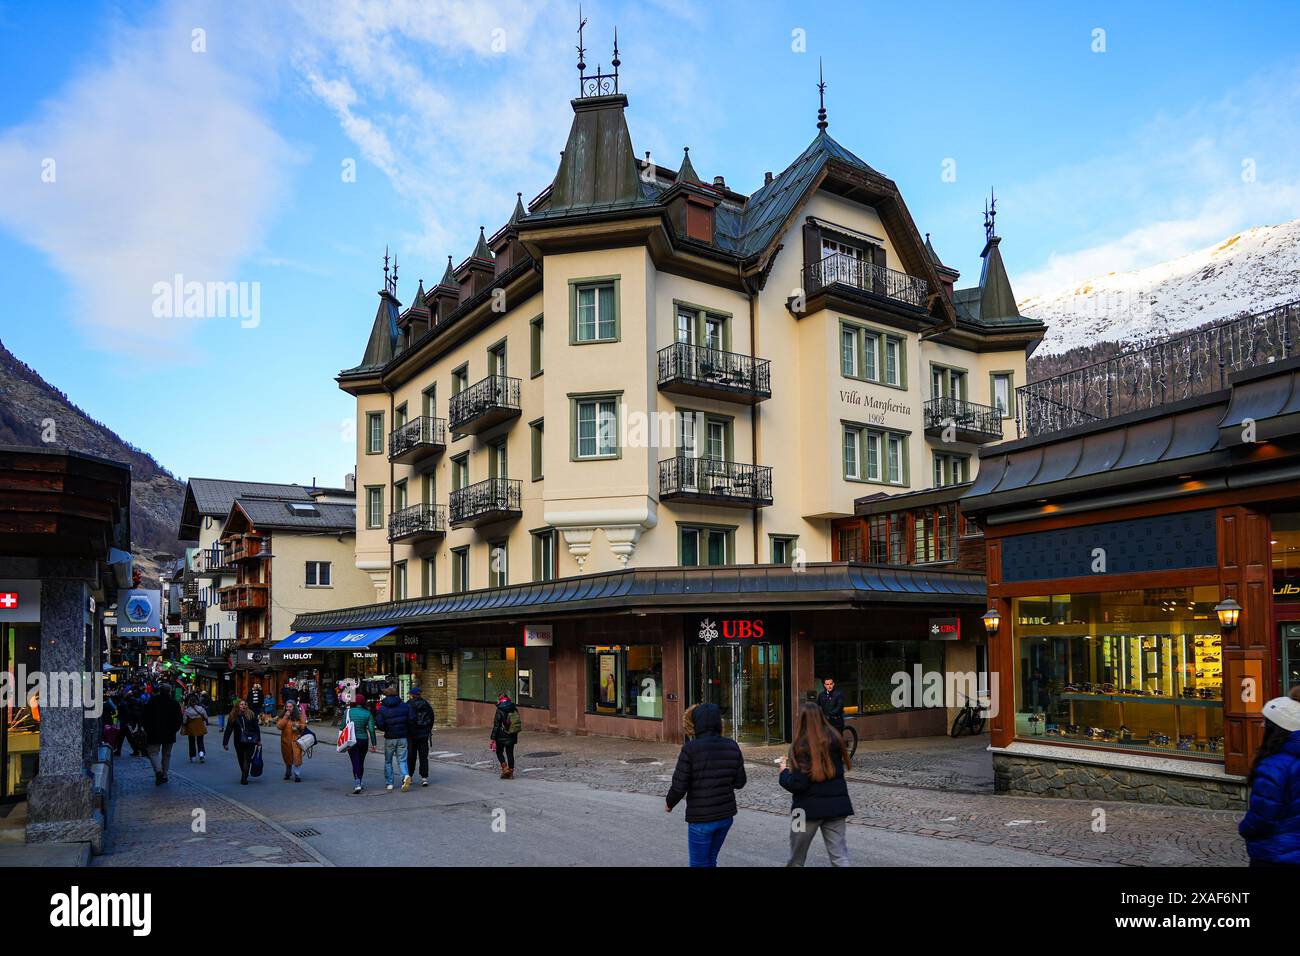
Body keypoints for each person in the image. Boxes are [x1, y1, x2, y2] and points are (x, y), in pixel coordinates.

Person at [664, 702, 747, 867]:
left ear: (696, 724)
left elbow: (679, 785)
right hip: (725, 817)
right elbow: (740, 782)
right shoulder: (732, 746)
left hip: (701, 819)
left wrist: (669, 803)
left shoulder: (691, 749)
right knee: (710, 860)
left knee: (699, 863)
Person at [779, 701, 854, 867]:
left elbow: (798, 784)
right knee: (840, 857)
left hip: (803, 811)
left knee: (796, 858)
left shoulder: (800, 746)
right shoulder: (835, 739)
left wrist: (783, 772)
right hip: (836, 807)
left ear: (801, 719)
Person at [1239, 695, 1300, 867]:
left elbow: (1262, 816)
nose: (1261, 726)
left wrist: (1245, 829)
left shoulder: (1274, 766)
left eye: (1266, 723)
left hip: (1275, 853)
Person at [142, 682, 183, 785]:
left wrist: (147, 729)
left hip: (154, 732)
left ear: (160, 691)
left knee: (153, 752)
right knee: (167, 754)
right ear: (169, 691)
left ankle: (158, 771)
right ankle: (164, 774)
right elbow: (179, 719)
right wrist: (175, 729)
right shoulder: (174, 703)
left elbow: (145, 716)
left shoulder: (152, 701)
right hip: (169, 733)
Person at [340, 692, 378, 794]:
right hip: (363, 740)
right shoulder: (368, 713)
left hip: (351, 739)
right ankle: (359, 780)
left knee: (355, 760)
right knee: (361, 761)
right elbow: (371, 729)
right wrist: (374, 744)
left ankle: (357, 782)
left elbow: (342, 726)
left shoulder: (347, 712)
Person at [376, 686, 411, 791]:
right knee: (402, 760)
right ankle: (405, 776)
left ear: (386, 695)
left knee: (388, 761)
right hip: (402, 736)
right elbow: (411, 719)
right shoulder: (405, 706)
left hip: (390, 737)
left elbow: (380, 723)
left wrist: (385, 728)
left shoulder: (382, 708)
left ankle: (389, 783)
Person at [222, 699, 261, 785]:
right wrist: (225, 742)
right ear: (237, 706)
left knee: (247, 759)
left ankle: (244, 777)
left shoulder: (251, 715)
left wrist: (258, 740)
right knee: (241, 759)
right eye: (241, 704)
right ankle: (244, 772)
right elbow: (228, 729)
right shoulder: (233, 716)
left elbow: (256, 728)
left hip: (250, 741)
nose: (244, 706)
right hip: (239, 741)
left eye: (245, 704)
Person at [406, 687, 435, 788]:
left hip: (412, 735)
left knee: (411, 756)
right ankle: (424, 778)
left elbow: (407, 719)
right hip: (423, 734)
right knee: (423, 756)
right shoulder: (426, 704)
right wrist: (428, 729)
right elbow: (431, 717)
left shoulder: (408, 705)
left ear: (412, 695)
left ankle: (409, 776)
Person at [490, 693, 522, 779]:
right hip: (512, 734)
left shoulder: (499, 709)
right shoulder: (514, 708)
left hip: (501, 735)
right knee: (510, 753)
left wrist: (493, 738)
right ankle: (510, 773)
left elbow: (496, 725)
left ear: (500, 699)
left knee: (499, 752)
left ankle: (505, 769)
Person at [275, 702, 306, 783]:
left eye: (290, 707)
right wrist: (285, 717)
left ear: (294, 707)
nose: (288, 708)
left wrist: (299, 726)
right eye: (287, 707)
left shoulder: (298, 716)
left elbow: (304, 726)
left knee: (297, 758)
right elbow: (279, 726)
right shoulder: (282, 716)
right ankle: (288, 772)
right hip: (286, 741)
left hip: (297, 740)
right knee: (287, 757)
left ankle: (297, 775)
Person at [182, 693, 209, 764]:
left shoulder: (187, 711)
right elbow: (206, 717)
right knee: (200, 742)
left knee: (191, 742)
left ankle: (193, 757)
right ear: (196, 701)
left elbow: (184, 721)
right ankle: (201, 756)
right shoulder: (201, 709)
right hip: (200, 726)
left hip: (191, 728)